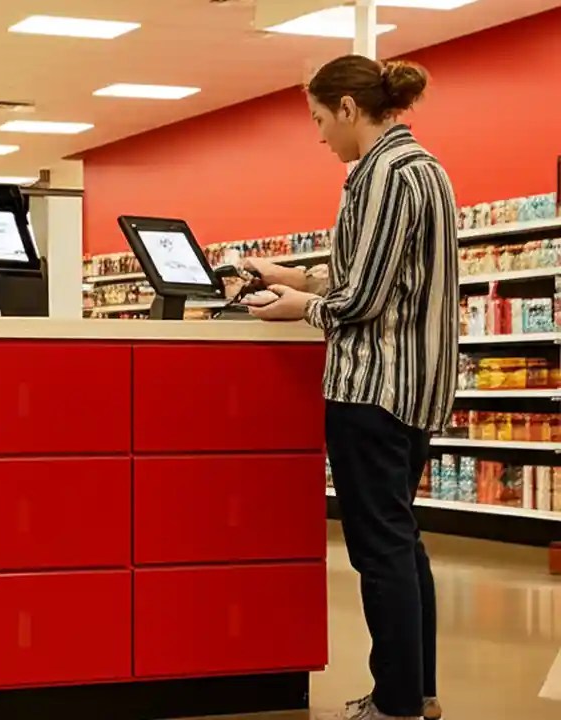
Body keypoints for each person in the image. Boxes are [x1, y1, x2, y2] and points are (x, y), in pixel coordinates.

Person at [246, 54, 457, 720]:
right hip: (414, 387)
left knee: (379, 549)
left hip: (372, 386)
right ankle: (416, 690)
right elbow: (369, 273)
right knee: (402, 539)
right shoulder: (426, 169)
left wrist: (296, 307)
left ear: (346, 107)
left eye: (318, 119)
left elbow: (360, 299)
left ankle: (394, 704)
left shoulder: (384, 176)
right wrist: (296, 275)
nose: (319, 136)